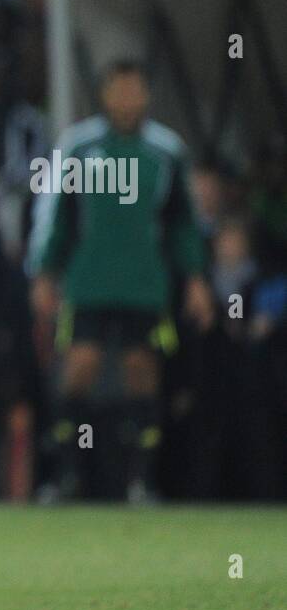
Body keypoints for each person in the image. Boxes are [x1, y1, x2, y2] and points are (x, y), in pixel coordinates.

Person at [27, 60, 214, 501]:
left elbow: (183, 223)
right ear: (105, 94)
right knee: (80, 366)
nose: (127, 99)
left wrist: (196, 279)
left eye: (135, 90)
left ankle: (141, 480)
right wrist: (44, 273)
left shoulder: (166, 150)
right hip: (88, 282)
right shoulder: (79, 147)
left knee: (141, 370)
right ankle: (65, 476)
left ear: (146, 95)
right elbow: (56, 215)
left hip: (144, 284)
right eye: (119, 90)